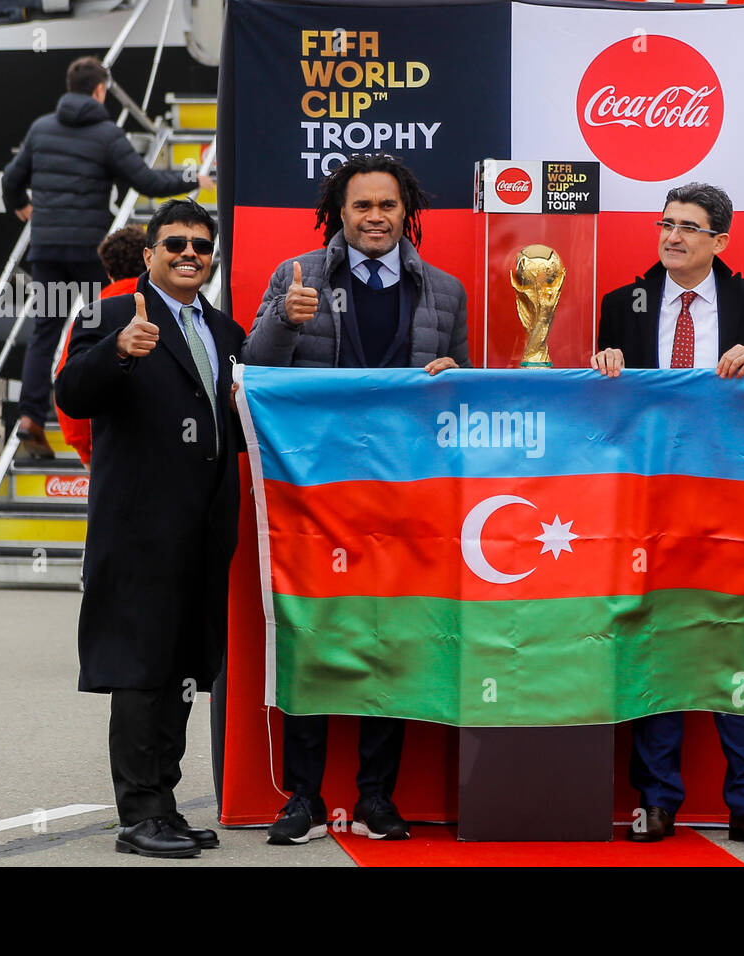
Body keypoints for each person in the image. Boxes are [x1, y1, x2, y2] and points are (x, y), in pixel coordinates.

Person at [242, 153, 470, 844]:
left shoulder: (445, 292)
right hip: (314, 496)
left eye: (387, 206)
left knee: (390, 642)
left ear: (408, 212)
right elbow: (254, 367)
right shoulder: (298, 278)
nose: (375, 217)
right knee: (314, 641)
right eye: (362, 206)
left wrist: (456, 373)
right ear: (338, 213)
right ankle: (304, 798)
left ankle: (376, 797)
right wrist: (284, 318)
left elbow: (459, 397)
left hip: (405, 497)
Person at [590, 182, 744, 848]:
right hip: (651, 503)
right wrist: (604, 363)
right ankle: (656, 800)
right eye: (666, 224)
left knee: (734, 649)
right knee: (655, 647)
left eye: (689, 227)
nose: (673, 237)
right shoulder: (622, 305)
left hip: (735, 503)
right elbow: (608, 409)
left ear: (720, 240)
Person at [54, 199, 244, 859]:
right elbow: (72, 396)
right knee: (139, 671)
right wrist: (117, 352)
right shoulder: (108, 314)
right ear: (149, 253)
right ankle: (138, 816)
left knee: (183, 670)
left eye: (200, 245)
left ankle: (164, 804)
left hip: (203, 533)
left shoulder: (225, 330)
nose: (189, 254)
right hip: (138, 533)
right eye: (175, 245)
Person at [4, 55, 214, 459]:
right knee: (102, 325)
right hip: (88, 253)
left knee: (46, 329)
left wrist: (21, 206)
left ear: (70, 86)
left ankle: (30, 416)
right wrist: (191, 178)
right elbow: (146, 181)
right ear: (101, 91)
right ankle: (104, 419)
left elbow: (11, 179)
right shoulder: (105, 134)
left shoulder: (41, 128)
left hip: (47, 250)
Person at [55, 225, 148, 468]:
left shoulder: (92, 317)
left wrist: (85, 450)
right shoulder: (169, 308)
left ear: (108, 272)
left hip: (109, 451)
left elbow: (68, 381)